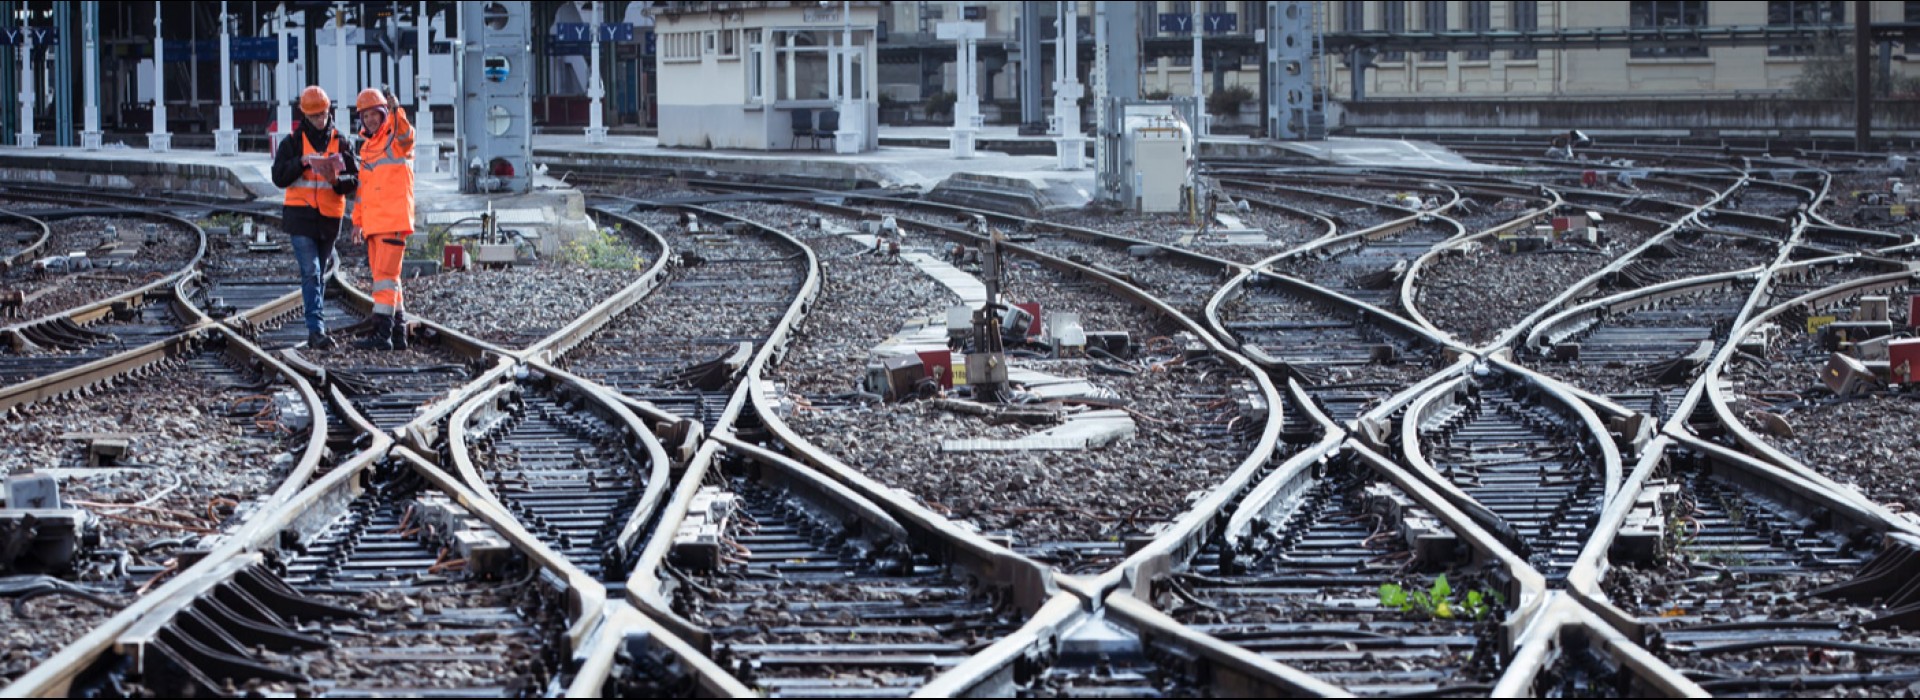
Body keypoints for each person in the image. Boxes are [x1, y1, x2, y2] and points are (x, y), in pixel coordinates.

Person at [269, 85, 358, 349]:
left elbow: (354, 180)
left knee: (318, 275)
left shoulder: (341, 141)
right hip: (300, 216)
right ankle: (316, 330)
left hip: (329, 218)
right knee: (311, 271)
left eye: (323, 114)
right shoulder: (293, 143)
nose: (320, 119)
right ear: (305, 115)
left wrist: (335, 179)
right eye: (315, 115)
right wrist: (302, 162)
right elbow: (278, 177)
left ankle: (316, 325)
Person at [349, 87, 417, 351]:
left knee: (384, 280)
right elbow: (363, 191)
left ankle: (382, 333)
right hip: (375, 224)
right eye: (365, 116)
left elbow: (407, 135)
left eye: (373, 115)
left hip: (392, 221)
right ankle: (398, 332)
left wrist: (397, 109)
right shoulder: (368, 148)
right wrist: (357, 222)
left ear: (383, 113)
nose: (370, 120)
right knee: (389, 279)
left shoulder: (395, 139)